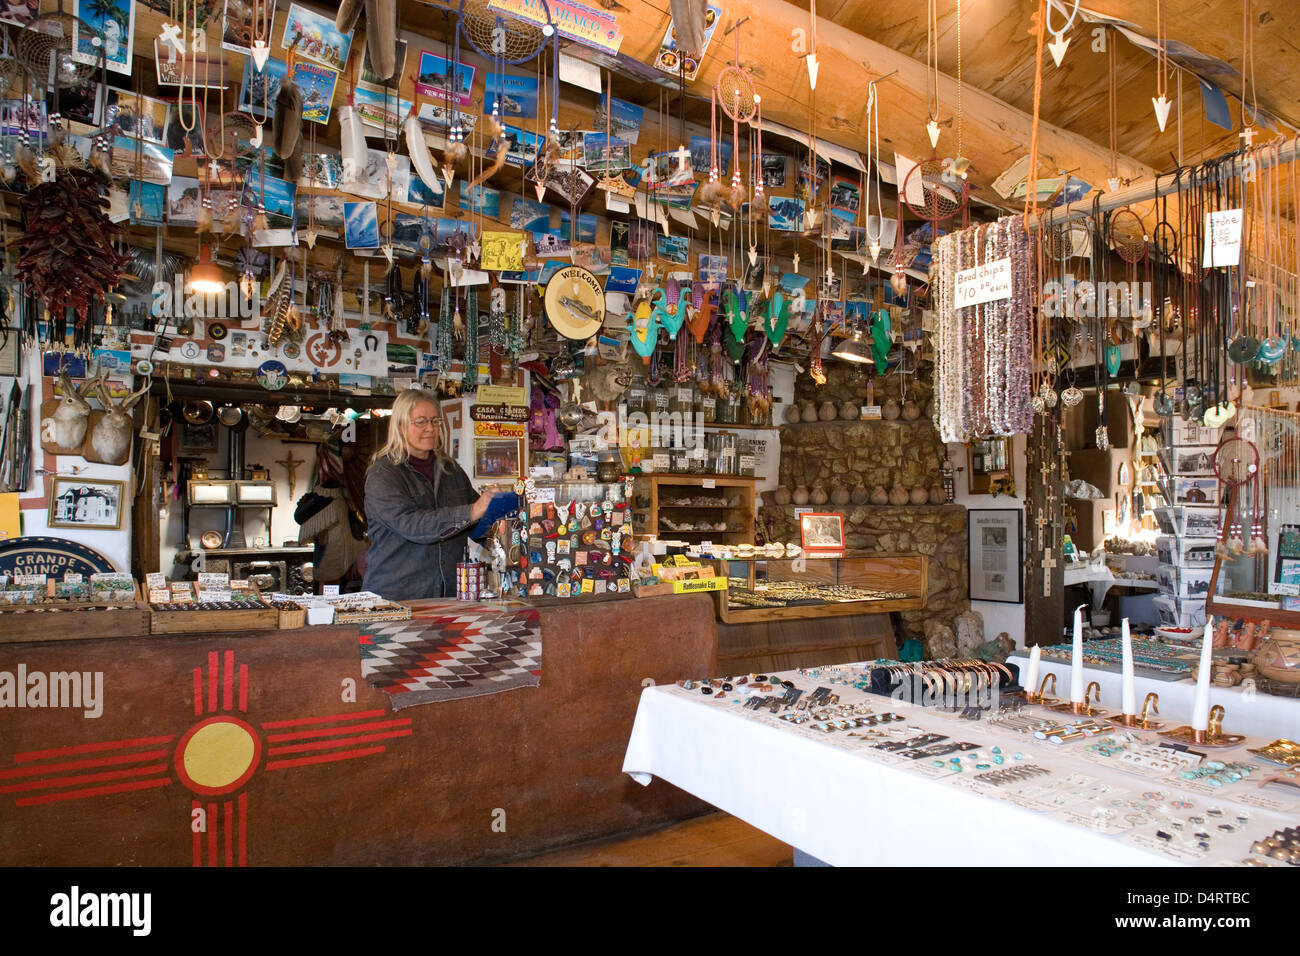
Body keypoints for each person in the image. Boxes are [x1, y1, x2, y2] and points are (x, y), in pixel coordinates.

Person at [363, 388, 493, 600]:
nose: (430, 428)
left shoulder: (450, 469)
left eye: (435, 421)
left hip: (449, 595)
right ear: (400, 425)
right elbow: (414, 526)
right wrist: (472, 511)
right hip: (396, 598)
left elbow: (475, 526)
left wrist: (507, 521)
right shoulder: (383, 474)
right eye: (421, 421)